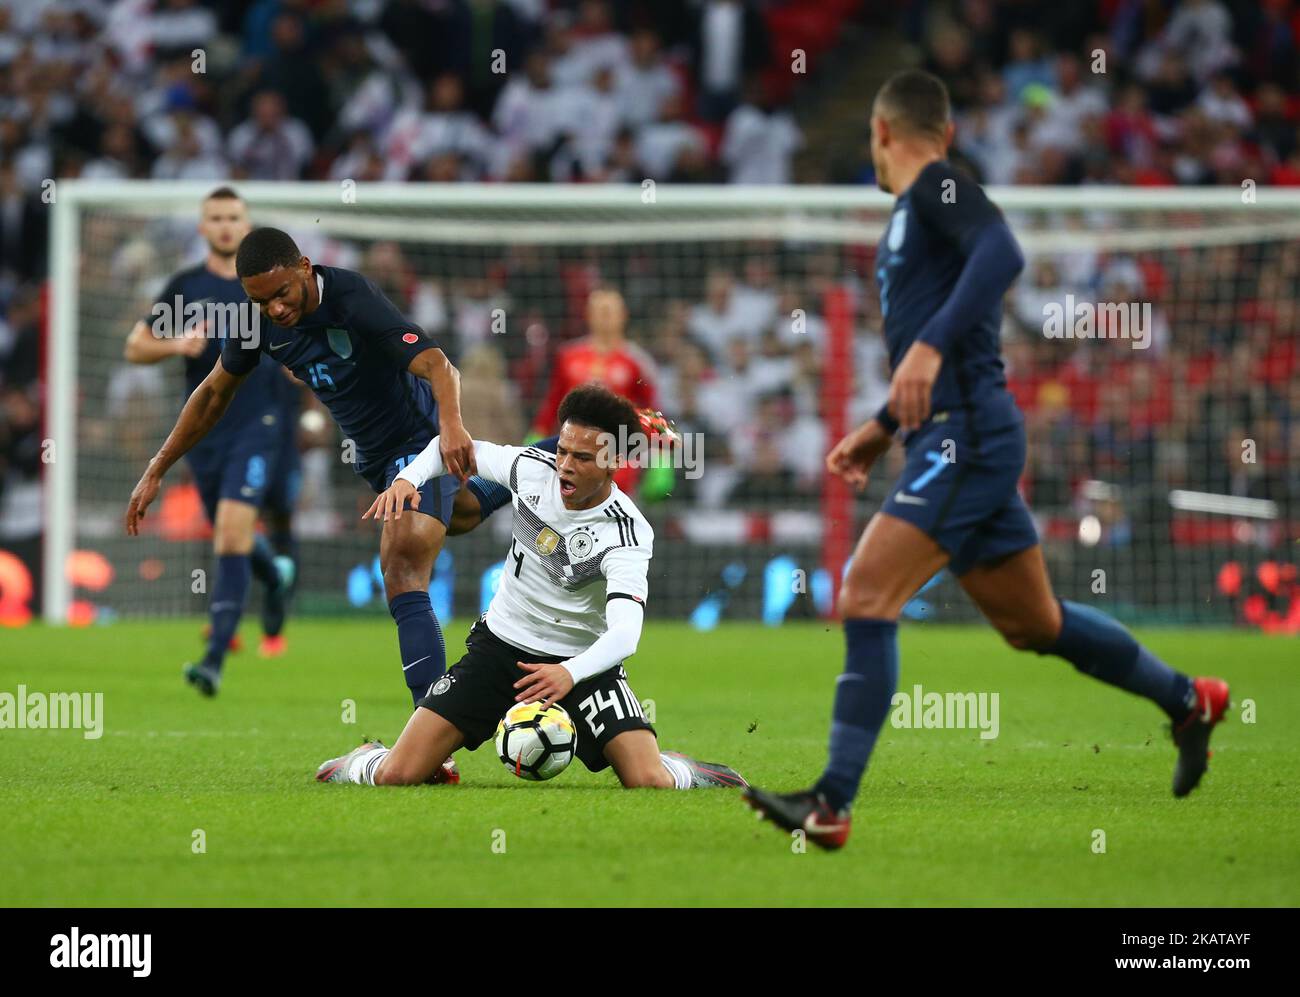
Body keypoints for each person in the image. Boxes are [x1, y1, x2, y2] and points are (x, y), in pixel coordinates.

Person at [742, 70, 1229, 850]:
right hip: (954, 435)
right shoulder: (910, 217)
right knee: (1036, 622)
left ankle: (831, 802)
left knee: (866, 591)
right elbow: (942, 343)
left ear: (882, 133)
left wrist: (927, 350)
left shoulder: (937, 187)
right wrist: (877, 427)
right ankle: (1187, 699)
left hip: (964, 438)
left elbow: (1003, 252)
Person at [125, 228, 474, 742]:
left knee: (400, 567)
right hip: (375, 462)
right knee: (469, 511)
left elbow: (437, 365)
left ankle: (431, 736)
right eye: (259, 300)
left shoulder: (353, 297)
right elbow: (211, 396)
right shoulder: (255, 321)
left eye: (281, 293)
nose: (274, 310)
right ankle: (540, 463)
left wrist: (452, 429)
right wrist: (157, 466)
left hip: (419, 444)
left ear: (305, 267)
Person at [316, 385, 745, 792]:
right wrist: (408, 479)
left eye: (581, 457)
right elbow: (449, 448)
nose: (565, 466)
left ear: (614, 463)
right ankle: (364, 758)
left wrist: (569, 672)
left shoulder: (628, 532)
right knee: (399, 774)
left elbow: (625, 634)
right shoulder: (529, 468)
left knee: (650, 780)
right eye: (560, 450)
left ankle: (686, 768)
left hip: (582, 667)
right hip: (500, 651)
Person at [122, 188, 298, 686]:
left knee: (231, 531)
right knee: (231, 531)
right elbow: (135, 346)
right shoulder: (186, 287)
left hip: (258, 424)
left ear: (246, 225)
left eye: (233, 217)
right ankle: (272, 574)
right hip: (205, 432)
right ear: (202, 228)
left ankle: (214, 659)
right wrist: (177, 343)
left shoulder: (264, 286)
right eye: (215, 218)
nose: (224, 225)